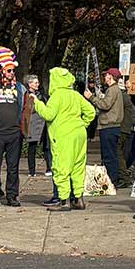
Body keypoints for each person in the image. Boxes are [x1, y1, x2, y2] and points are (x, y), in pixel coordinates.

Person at [37, 66, 97, 210]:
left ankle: (64, 201)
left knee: (61, 167)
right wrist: (82, 124)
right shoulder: (75, 95)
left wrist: (37, 103)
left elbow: (48, 114)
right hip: (79, 133)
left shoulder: (57, 95)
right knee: (78, 166)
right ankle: (78, 199)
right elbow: (91, 111)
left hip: (63, 135)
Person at [0, 48, 30, 209]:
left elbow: (26, 108)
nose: (11, 73)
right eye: (9, 70)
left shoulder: (20, 88)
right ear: (1, 71)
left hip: (14, 134)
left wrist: (23, 129)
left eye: (13, 70)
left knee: (13, 167)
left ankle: (12, 196)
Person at [89, 68, 127, 182]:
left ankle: (111, 180)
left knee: (109, 156)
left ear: (110, 76)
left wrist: (91, 97)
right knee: (111, 154)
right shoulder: (115, 90)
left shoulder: (112, 90)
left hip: (109, 126)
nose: (104, 77)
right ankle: (111, 179)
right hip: (112, 126)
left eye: (106, 75)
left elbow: (105, 105)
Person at [25, 74, 50, 179]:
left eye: (38, 82)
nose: (37, 84)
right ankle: (31, 170)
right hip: (33, 124)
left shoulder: (41, 94)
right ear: (29, 84)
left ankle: (49, 168)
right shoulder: (26, 95)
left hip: (43, 123)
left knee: (47, 146)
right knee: (32, 147)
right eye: (35, 82)